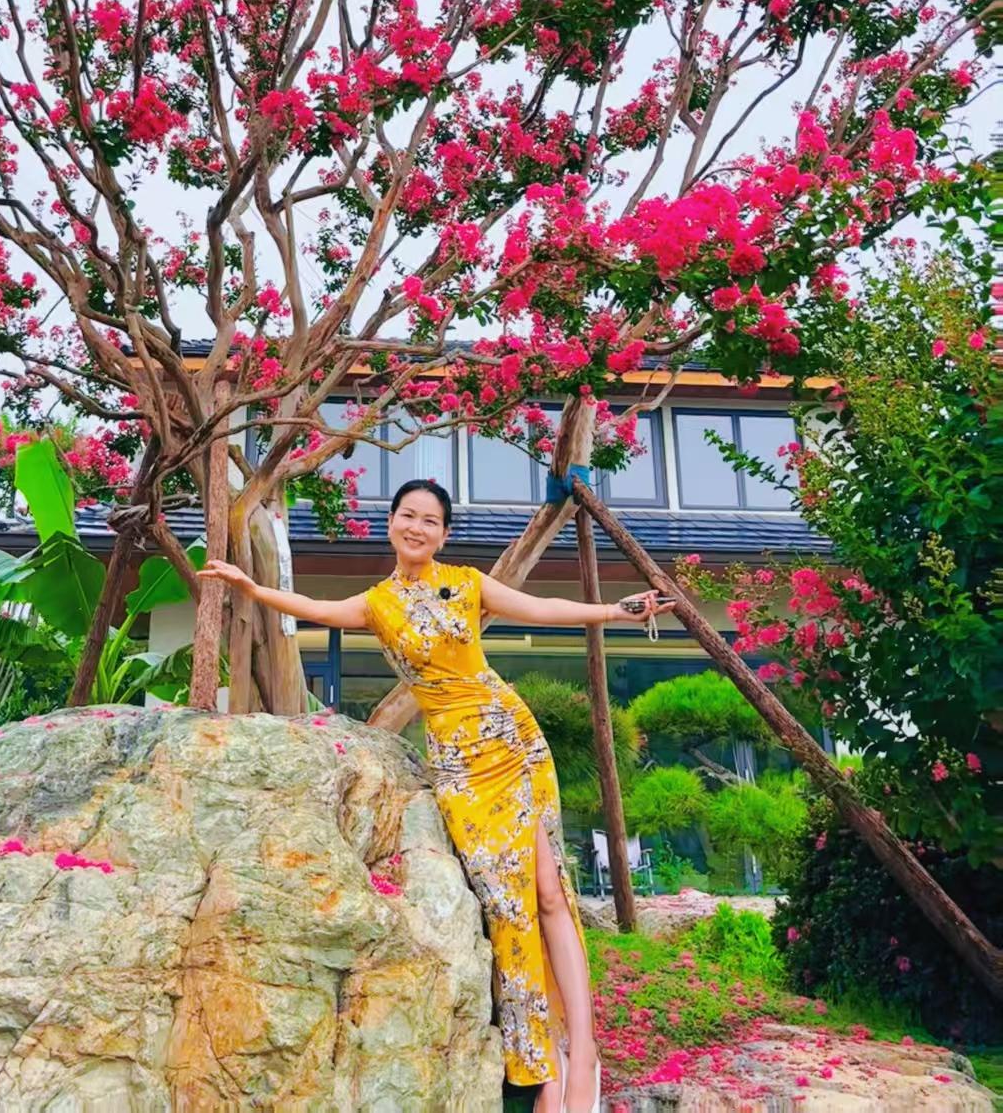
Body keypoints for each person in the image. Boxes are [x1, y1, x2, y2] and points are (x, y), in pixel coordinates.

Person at [199, 475, 672, 1113]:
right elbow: (312, 608)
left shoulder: (469, 583)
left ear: (444, 534)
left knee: (548, 893)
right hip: (456, 762)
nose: (417, 527)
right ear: (391, 523)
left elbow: (542, 609)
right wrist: (252, 588)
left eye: (430, 520)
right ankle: (542, 1066)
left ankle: (581, 1053)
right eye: (408, 515)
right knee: (505, 907)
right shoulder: (377, 604)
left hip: (510, 740)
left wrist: (615, 612)